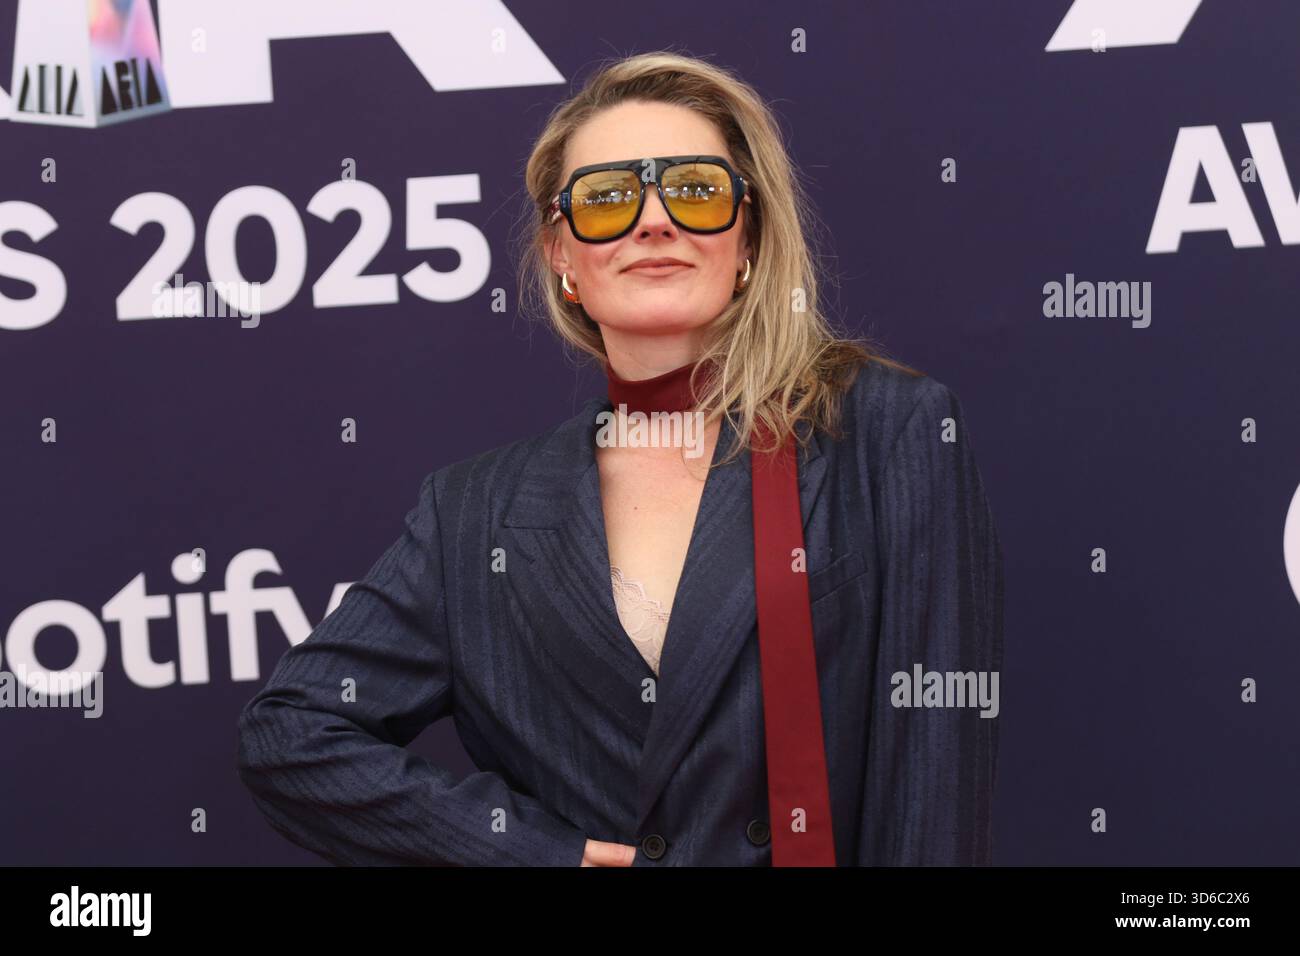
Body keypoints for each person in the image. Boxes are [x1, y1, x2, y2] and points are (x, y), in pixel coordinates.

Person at [237, 51, 1005, 867]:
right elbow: (289, 732)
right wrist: (534, 854)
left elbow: (933, 789)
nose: (653, 221)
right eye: (605, 200)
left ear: (749, 236)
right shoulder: (471, 513)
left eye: (696, 190)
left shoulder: (891, 431)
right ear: (561, 256)